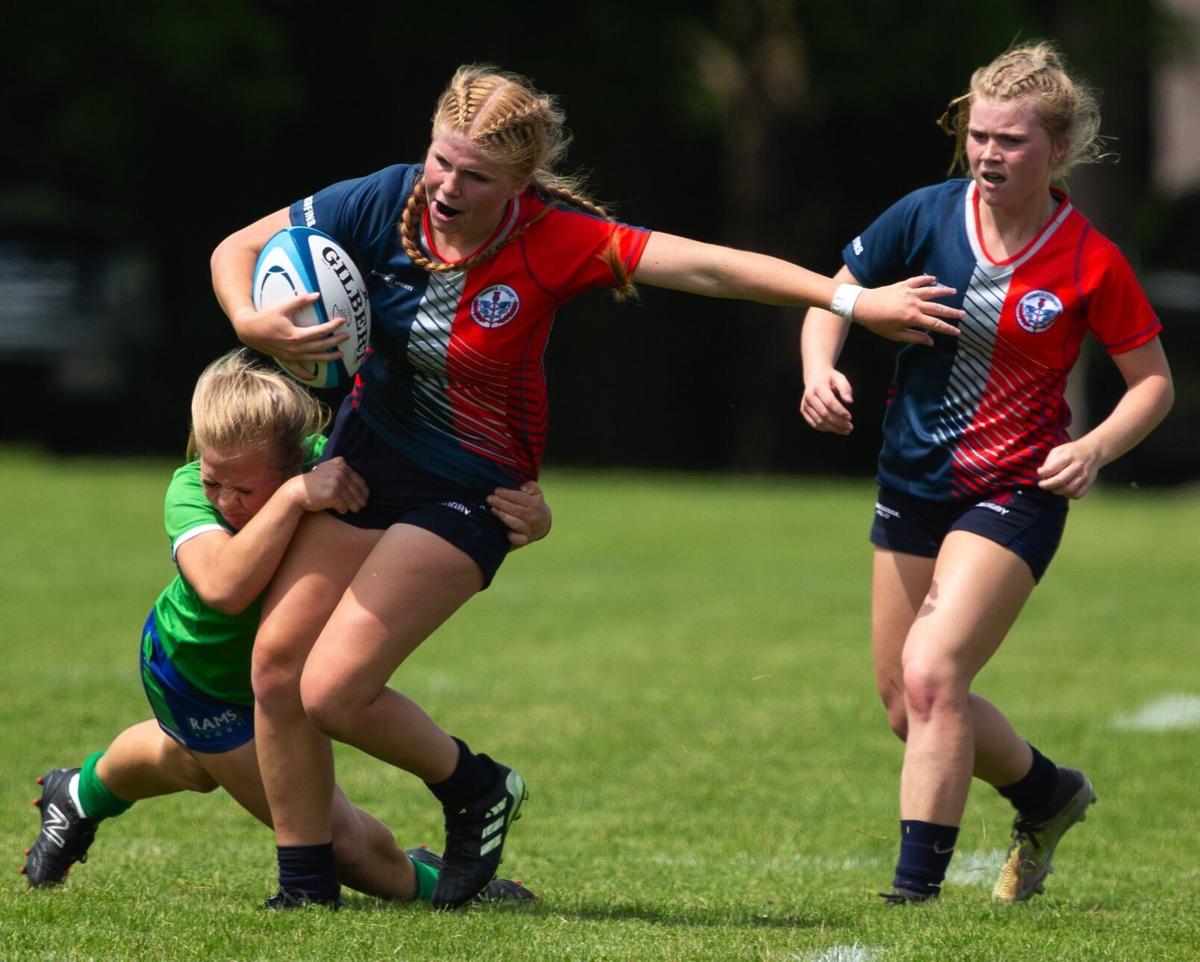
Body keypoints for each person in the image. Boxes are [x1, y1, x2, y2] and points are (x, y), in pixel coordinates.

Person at [210, 63, 965, 911]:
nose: (448, 187)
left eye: (476, 176)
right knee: (275, 669)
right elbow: (236, 248)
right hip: (362, 464)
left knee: (333, 690)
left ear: (521, 181)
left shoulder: (556, 239)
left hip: (473, 490)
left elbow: (711, 269)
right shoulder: (384, 199)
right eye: (441, 161)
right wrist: (250, 319)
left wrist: (853, 304)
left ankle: (476, 788)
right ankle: (305, 889)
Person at [800, 42, 1173, 904]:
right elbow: (836, 295)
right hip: (910, 485)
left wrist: (1093, 448)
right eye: (979, 136)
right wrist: (819, 369)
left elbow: (1153, 383)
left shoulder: (1088, 259)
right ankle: (1047, 794)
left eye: (1011, 140)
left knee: (934, 674)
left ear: (1058, 149)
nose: (989, 155)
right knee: (907, 706)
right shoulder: (926, 215)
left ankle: (913, 898)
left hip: (1015, 491)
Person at [21, 349, 548, 906]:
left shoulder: (332, 466)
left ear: (297, 458)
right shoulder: (189, 491)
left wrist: (528, 519)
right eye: (214, 479)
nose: (226, 501)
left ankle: (77, 794)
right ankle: (452, 888)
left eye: (246, 490)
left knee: (193, 764)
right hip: (199, 679)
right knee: (343, 845)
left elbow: (426, 507)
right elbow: (224, 588)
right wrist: (294, 498)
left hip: (278, 684)